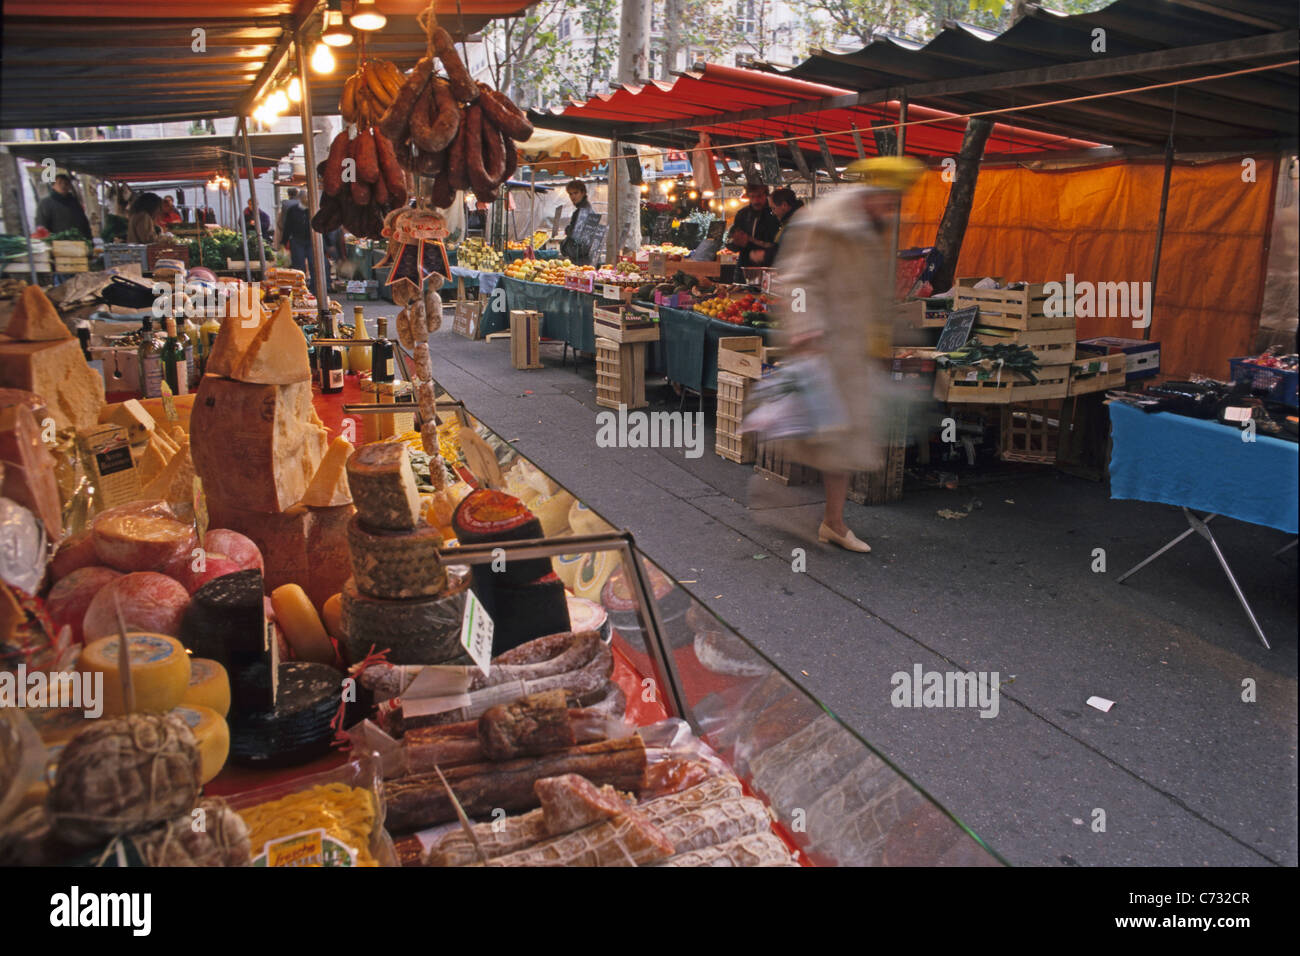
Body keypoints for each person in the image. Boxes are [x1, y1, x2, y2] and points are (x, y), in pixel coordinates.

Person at [771, 156, 924, 553]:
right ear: (872, 191)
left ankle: (830, 521)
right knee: (817, 430)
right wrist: (805, 329)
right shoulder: (828, 222)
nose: (891, 210)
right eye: (888, 200)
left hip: (849, 347)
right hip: (823, 345)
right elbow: (798, 280)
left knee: (837, 434)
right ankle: (784, 502)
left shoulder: (870, 224)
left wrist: (882, 334)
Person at [725, 183, 781, 268]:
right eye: (752, 197)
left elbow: (781, 245)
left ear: (766, 195)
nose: (756, 201)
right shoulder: (742, 215)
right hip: (745, 267)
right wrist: (735, 242)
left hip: (769, 267)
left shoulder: (775, 214)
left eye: (759, 196)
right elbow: (729, 241)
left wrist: (766, 254)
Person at [35, 173, 92, 239]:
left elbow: (84, 222)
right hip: (57, 243)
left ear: (69, 186)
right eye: (60, 183)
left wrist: (89, 239)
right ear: (53, 186)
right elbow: (41, 225)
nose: (63, 185)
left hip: (78, 242)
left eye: (66, 183)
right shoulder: (45, 203)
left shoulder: (74, 202)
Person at [560, 180, 595, 264]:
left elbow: (574, 233)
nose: (573, 197)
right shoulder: (587, 208)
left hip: (580, 257)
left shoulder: (582, 211)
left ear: (583, 193)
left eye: (576, 193)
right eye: (570, 194)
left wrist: (568, 229)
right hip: (584, 255)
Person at [769, 188, 804, 262]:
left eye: (773, 208)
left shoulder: (797, 223)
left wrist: (765, 255)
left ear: (784, 205)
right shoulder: (788, 221)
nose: (773, 213)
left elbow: (787, 252)